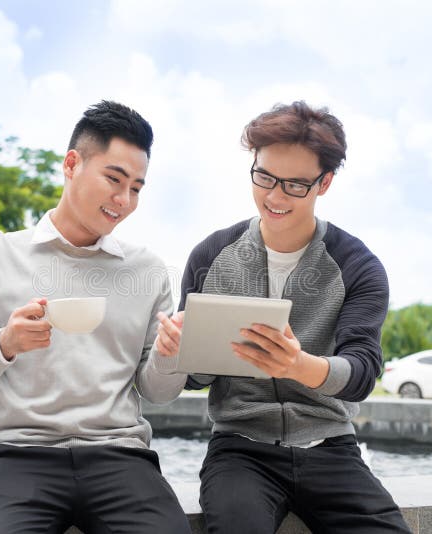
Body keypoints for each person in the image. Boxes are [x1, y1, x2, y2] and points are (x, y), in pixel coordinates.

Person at [0, 100, 190, 534]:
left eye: (136, 188)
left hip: (121, 456)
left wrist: (170, 357)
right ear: (72, 164)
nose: (124, 200)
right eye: (114, 179)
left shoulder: (148, 270)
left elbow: (158, 393)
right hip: (18, 455)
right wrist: (5, 344)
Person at [156, 101, 411, 533]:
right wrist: (177, 353)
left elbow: (363, 372)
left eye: (294, 185)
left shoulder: (357, 265)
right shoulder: (211, 255)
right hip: (239, 450)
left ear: (324, 183)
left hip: (331, 446)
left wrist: (299, 366)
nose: (274, 196)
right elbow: (197, 379)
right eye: (264, 177)